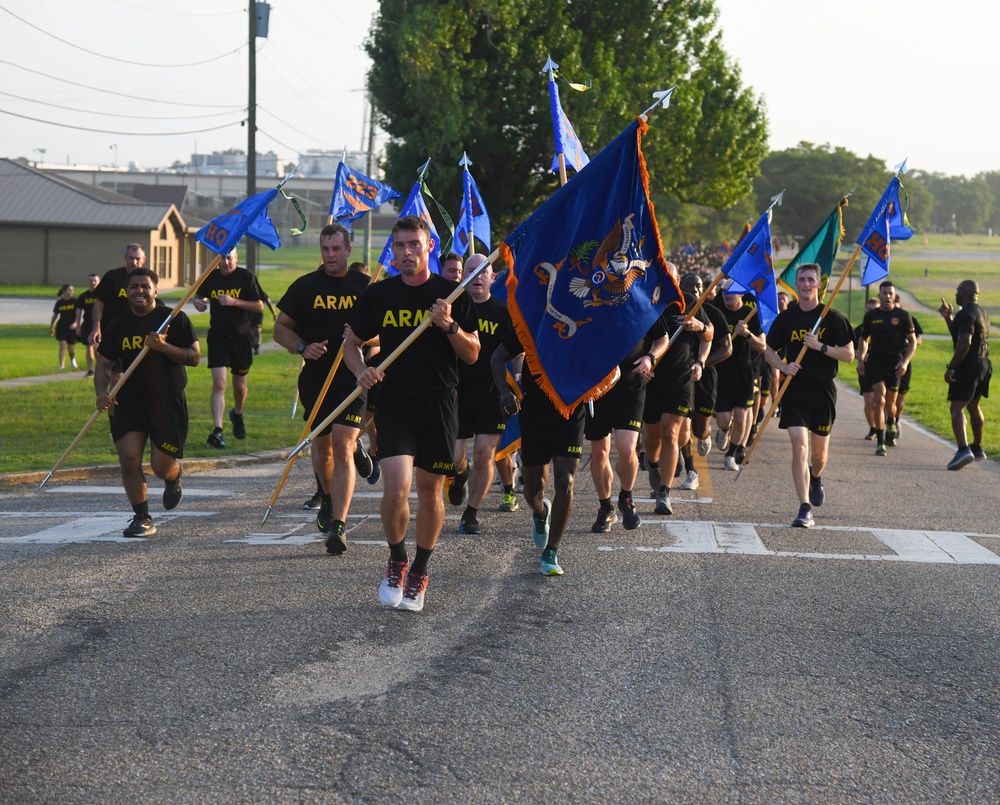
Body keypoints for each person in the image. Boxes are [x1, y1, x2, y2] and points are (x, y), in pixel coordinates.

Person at [344, 215, 480, 611]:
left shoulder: (451, 294)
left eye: (414, 245)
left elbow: (473, 354)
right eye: (400, 246)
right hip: (395, 403)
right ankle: (397, 559)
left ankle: (420, 571)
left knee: (430, 490)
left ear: (429, 247)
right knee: (396, 487)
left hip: (439, 403)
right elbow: (351, 344)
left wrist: (449, 326)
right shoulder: (379, 295)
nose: (406, 252)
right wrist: (361, 370)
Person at [274, 223, 372, 551]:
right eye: (325, 249)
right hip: (316, 380)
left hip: (352, 378)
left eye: (336, 249)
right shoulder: (305, 286)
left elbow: (385, 335)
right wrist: (302, 347)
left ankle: (339, 526)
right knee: (323, 448)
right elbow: (280, 328)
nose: (331, 255)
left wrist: (361, 337)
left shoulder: (365, 286)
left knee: (343, 446)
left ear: (348, 250)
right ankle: (327, 496)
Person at [95, 267, 200, 537]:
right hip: (129, 402)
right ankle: (141, 517)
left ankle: (173, 476)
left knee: (160, 466)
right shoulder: (117, 325)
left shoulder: (174, 319)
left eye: (145, 286)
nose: (139, 291)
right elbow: (103, 364)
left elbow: (194, 357)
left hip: (167, 402)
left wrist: (163, 347)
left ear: (155, 290)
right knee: (129, 458)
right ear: (126, 292)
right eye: (134, 286)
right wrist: (101, 392)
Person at [764, 263, 855, 528]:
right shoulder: (786, 318)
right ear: (796, 284)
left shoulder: (831, 317)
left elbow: (849, 354)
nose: (805, 284)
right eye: (801, 280)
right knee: (799, 446)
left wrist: (820, 346)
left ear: (819, 284)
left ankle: (816, 476)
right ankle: (804, 508)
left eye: (810, 280)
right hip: (795, 390)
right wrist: (783, 367)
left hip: (823, 391)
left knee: (819, 454)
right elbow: (769, 351)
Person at [491, 323, 584, 576]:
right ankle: (541, 512)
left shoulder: (586, 321)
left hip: (571, 409)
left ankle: (551, 551)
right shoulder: (533, 321)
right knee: (532, 488)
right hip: (534, 411)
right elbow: (497, 357)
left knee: (566, 480)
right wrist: (504, 392)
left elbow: (608, 358)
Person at [449, 253, 514, 534]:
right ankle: (462, 473)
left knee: (485, 453)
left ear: (492, 278)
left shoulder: (502, 312)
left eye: (483, 271)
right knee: (454, 457)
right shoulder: (452, 308)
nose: (477, 276)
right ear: (463, 276)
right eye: (471, 271)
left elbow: (516, 352)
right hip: (456, 391)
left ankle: (471, 513)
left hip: (491, 392)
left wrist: (517, 380)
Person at [585, 324, 667, 532]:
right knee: (599, 454)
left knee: (628, 450)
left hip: (632, 387)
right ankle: (606, 508)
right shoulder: (593, 306)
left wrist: (650, 358)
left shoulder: (641, 306)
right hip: (597, 388)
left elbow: (662, 338)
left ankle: (626, 498)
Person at [642, 281, 713, 515]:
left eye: (672, 278)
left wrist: (699, 328)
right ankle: (653, 463)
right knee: (651, 437)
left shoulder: (689, 302)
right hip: (651, 377)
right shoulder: (645, 299)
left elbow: (709, 335)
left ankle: (665, 492)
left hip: (680, 378)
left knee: (670, 433)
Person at [192, 248, 264, 448]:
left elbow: (259, 306)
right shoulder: (211, 276)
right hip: (218, 338)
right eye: (222, 258)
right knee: (220, 384)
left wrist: (235, 302)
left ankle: (237, 414)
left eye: (229, 258)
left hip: (242, 339)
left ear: (236, 258)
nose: (226, 262)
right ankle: (218, 429)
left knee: (239, 386)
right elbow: (200, 295)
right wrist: (199, 302)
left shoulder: (246, 277)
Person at [677, 273, 730, 490]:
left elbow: (726, 348)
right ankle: (692, 471)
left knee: (699, 429)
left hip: (705, 375)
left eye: (698, 286)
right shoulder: (675, 310)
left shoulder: (714, 313)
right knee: (683, 425)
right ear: (680, 286)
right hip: (680, 376)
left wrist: (702, 364)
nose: (693, 289)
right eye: (688, 285)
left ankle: (706, 435)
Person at [857, 280, 916, 457]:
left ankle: (891, 421)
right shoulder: (871, 316)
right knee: (879, 399)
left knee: (891, 406)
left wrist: (905, 362)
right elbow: (863, 338)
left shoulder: (903, 316)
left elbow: (912, 341)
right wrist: (861, 359)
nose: (887, 296)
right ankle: (881, 442)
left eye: (890, 293)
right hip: (875, 362)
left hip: (895, 364)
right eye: (884, 293)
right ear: (880, 295)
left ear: (894, 296)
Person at [939, 279, 992, 469]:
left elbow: (964, 342)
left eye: (957, 291)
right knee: (973, 405)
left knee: (957, 408)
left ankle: (963, 450)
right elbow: (961, 334)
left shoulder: (965, 314)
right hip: (984, 363)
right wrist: (948, 318)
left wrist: (951, 367)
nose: (955, 294)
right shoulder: (981, 313)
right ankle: (977, 448)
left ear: (965, 293)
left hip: (968, 365)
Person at [714, 288, 766, 470]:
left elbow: (762, 346)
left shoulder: (751, 315)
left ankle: (731, 455)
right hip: (721, 371)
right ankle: (724, 429)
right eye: (725, 292)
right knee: (723, 419)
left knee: (741, 419)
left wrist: (747, 334)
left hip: (744, 372)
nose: (728, 295)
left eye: (732, 291)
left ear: (741, 294)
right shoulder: (718, 313)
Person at [891, 295, 922, 443]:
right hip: (888, 361)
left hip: (904, 362)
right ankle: (888, 422)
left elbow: (918, 339)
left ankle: (896, 419)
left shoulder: (909, 319)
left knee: (900, 397)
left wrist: (909, 341)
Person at [854, 297, 880, 440]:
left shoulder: (883, 328)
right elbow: (850, 351)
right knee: (869, 400)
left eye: (874, 310)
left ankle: (887, 424)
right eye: (869, 309)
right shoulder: (859, 330)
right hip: (865, 368)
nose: (871, 312)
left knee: (881, 400)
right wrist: (862, 357)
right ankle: (873, 428)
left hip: (881, 369)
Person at [75, 274, 101, 377]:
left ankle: (100, 368)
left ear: (99, 282)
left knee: (97, 349)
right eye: (91, 281)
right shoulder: (83, 296)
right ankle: (90, 370)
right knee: (88, 348)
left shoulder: (102, 295)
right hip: (87, 324)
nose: (93, 283)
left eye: (95, 281)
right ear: (88, 282)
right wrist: (77, 325)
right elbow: (78, 311)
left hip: (99, 325)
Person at [50, 284, 78, 370]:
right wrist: (51, 326)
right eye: (69, 290)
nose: (71, 292)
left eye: (72, 290)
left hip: (71, 327)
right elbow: (55, 315)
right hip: (62, 326)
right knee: (62, 345)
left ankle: (72, 359)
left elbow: (78, 314)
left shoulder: (75, 301)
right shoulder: (59, 303)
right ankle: (61, 365)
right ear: (64, 291)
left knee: (71, 349)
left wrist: (76, 323)